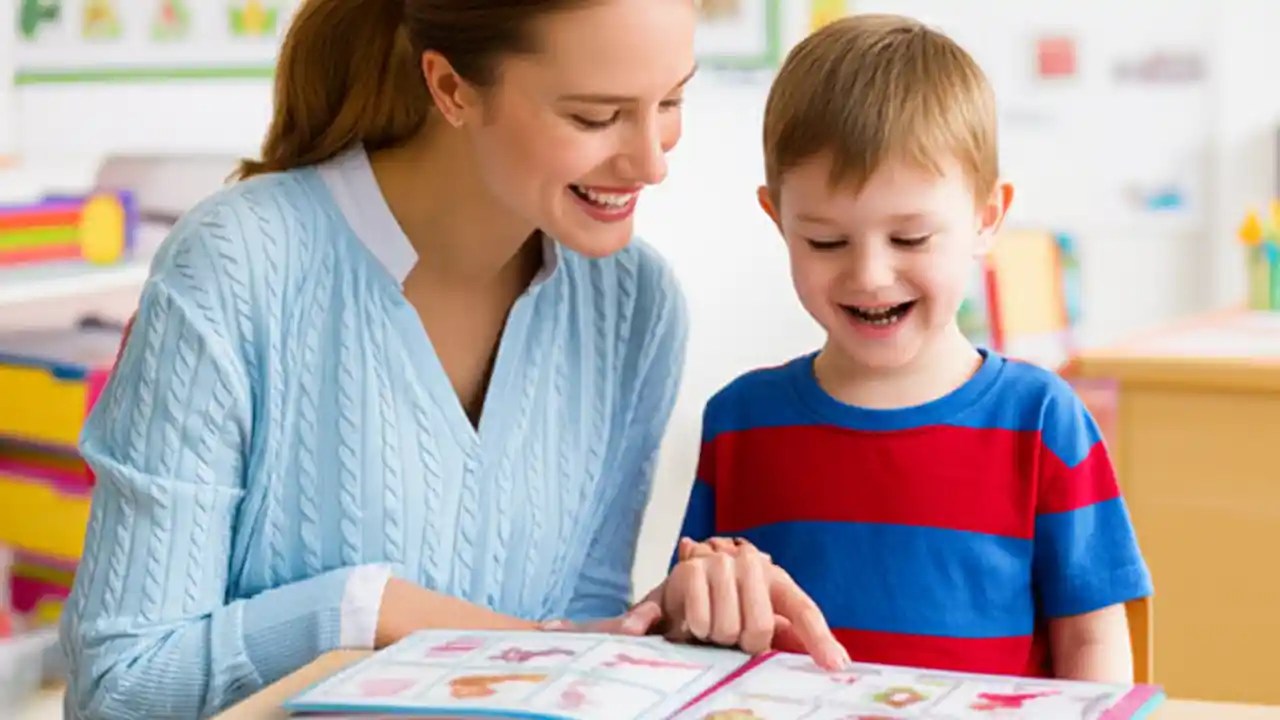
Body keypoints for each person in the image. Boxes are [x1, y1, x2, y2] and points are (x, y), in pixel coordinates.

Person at [58, 2, 840, 718]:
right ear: (452, 88)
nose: (650, 161)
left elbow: (551, 645)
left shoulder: (631, 307)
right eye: (597, 115)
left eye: (670, 102)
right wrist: (362, 611)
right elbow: (118, 686)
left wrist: (668, 624)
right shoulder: (239, 267)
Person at [673, 14, 1154, 682]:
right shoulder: (740, 422)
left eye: (910, 239)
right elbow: (695, 627)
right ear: (778, 219)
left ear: (987, 217)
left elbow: (1094, 642)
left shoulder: (1043, 421)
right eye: (826, 242)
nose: (870, 274)